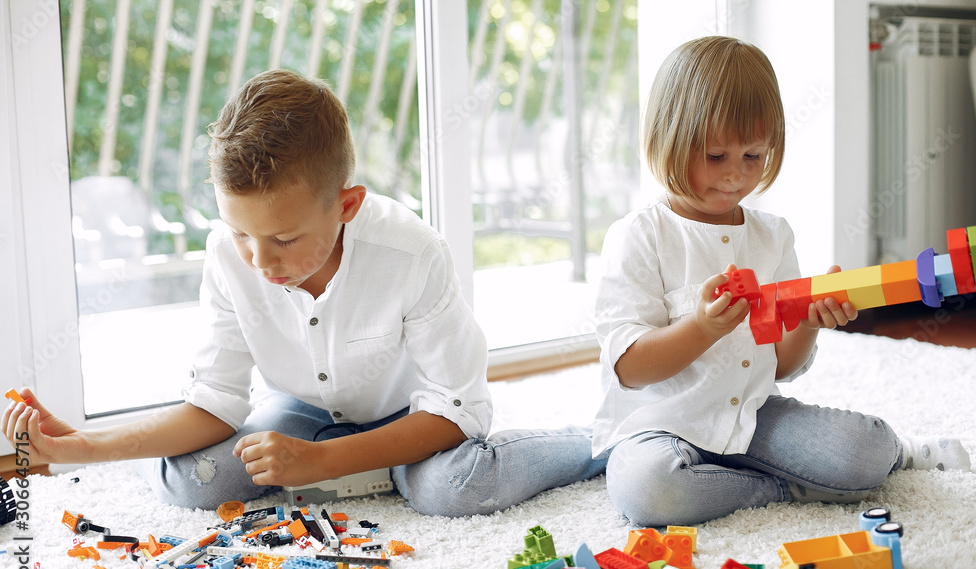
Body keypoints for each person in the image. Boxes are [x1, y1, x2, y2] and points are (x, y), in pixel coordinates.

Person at [2, 69, 605, 515]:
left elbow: (460, 408)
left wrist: (319, 464)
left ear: (347, 206)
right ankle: (368, 476)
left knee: (452, 489)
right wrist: (83, 445)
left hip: (410, 423)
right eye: (240, 232)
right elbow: (215, 401)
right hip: (299, 415)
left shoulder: (412, 252)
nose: (260, 261)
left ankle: (594, 443)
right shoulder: (227, 256)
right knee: (199, 481)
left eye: (285, 238)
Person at [593, 36, 970, 528]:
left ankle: (884, 454)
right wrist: (704, 328)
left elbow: (783, 367)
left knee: (864, 451)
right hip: (659, 428)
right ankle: (782, 488)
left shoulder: (772, 236)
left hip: (752, 417)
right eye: (714, 156)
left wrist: (811, 322)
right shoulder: (638, 236)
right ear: (667, 140)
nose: (734, 176)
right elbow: (631, 369)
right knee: (650, 492)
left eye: (752, 156)